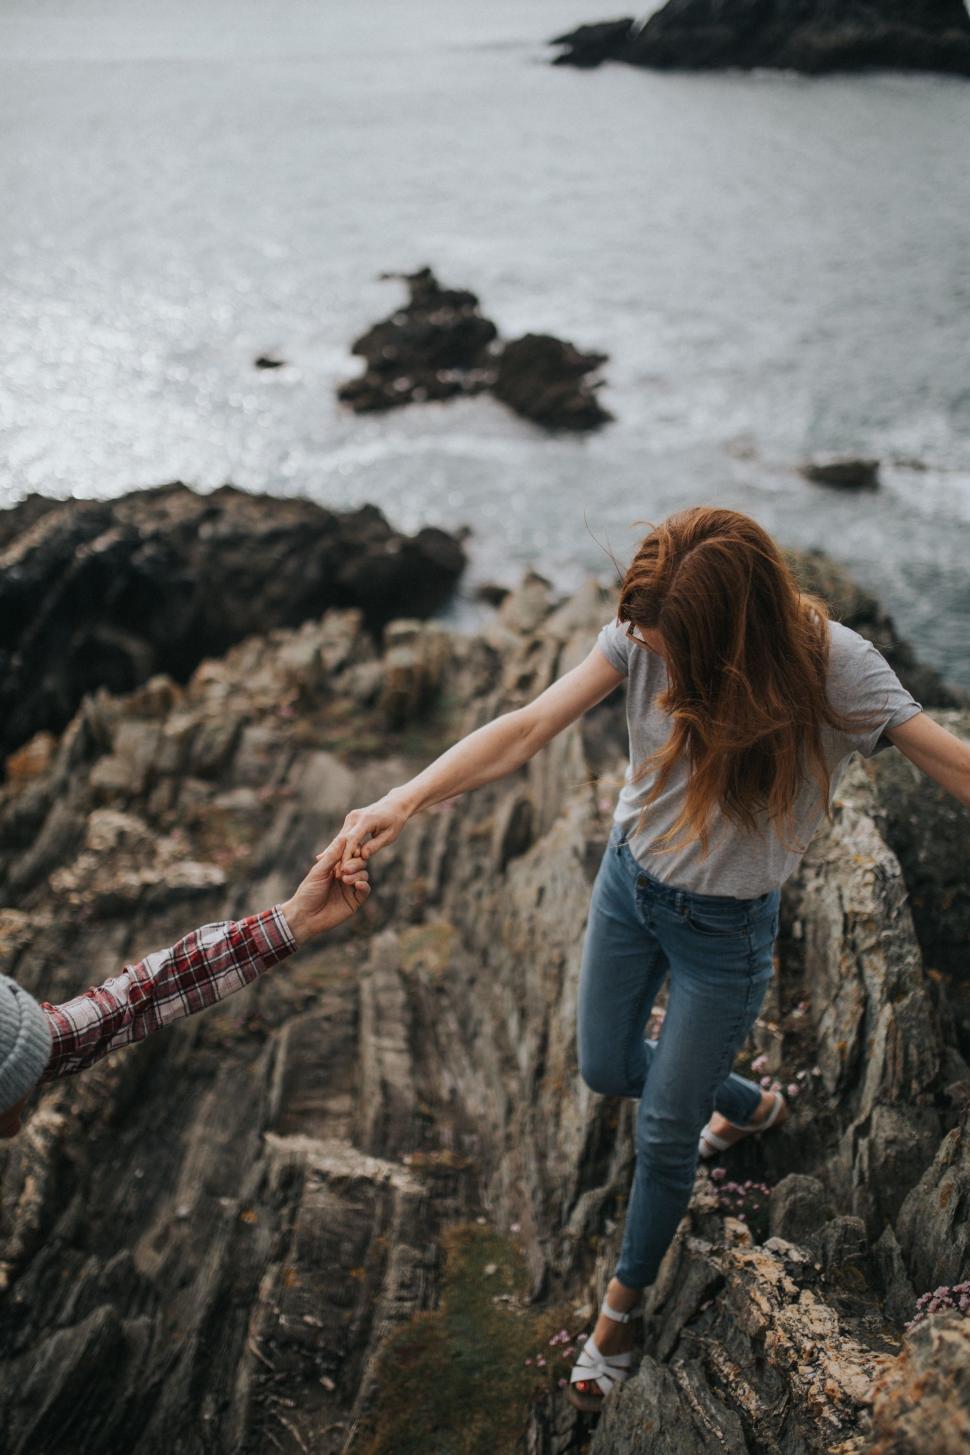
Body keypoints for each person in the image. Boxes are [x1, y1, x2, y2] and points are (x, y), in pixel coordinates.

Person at [326, 506, 970, 1411]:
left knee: (664, 1134)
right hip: (628, 889)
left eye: (673, 653)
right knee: (606, 1065)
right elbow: (525, 725)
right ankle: (746, 1101)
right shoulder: (642, 633)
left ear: (729, 642)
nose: (655, 671)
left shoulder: (837, 668)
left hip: (726, 935)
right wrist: (405, 797)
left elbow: (954, 763)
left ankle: (618, 1314)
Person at [0, 838, 369, 1140]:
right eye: (29, 1070)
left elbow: (141, 997)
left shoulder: (21, 1043)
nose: (36, 1068)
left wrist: (295, 920)